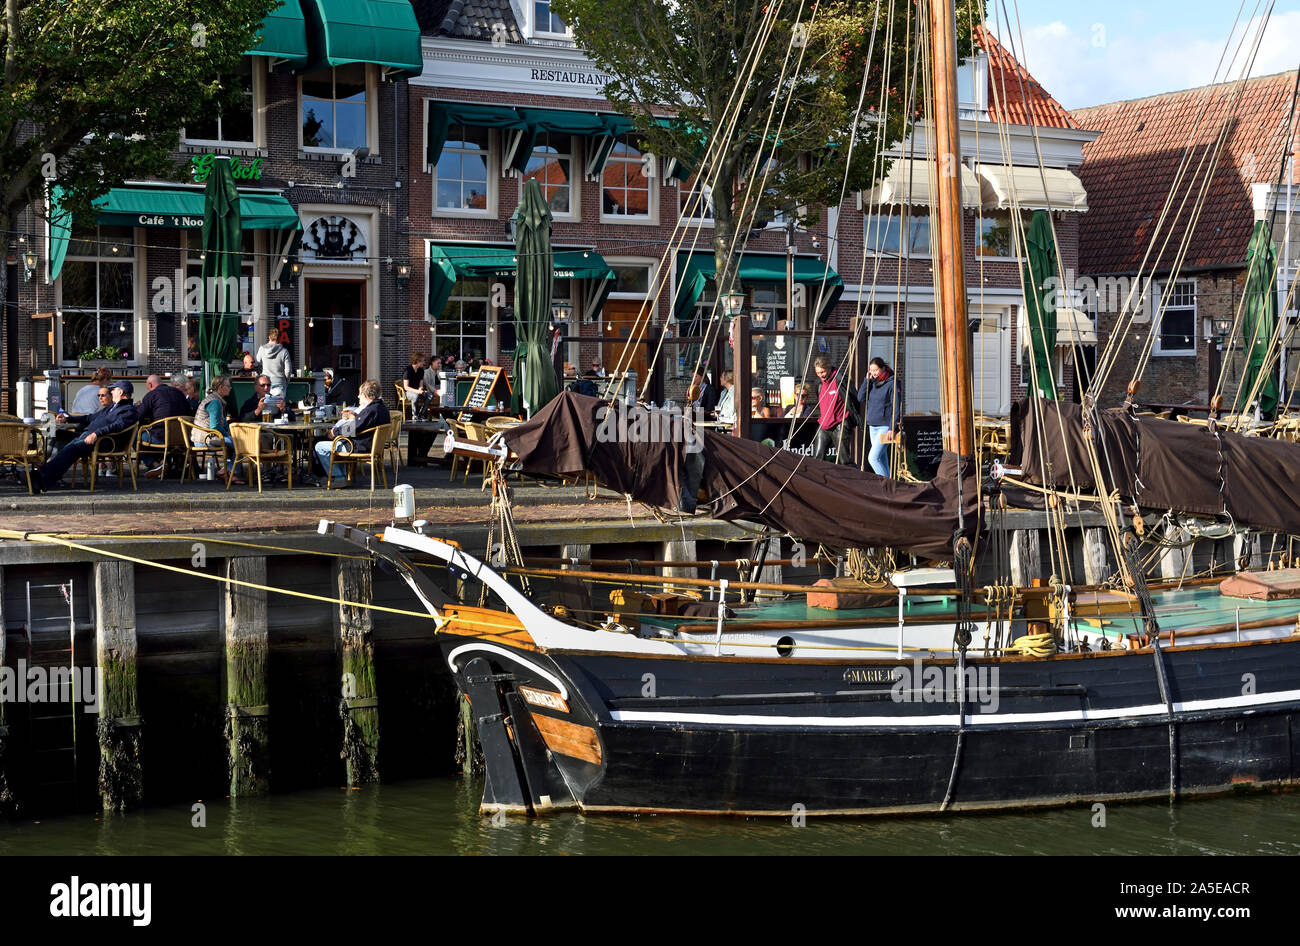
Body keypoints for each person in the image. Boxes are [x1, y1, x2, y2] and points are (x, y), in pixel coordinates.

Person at [33, 381, 139, 492]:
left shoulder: (128, 410)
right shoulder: (112, 407)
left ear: (120, 392)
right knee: (59, 434)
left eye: (113, 389)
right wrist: (68, 419)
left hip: (103, 442)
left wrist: (96, 434)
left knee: (72, 449)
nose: (111, 392)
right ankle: (49, 474)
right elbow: (89, 418)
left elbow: (117, 426)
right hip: (89, 436)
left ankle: (41, 476)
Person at [313, 379, 390, 487]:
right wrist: (356, 416)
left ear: (364, 395)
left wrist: (335, 432)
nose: (358, 397)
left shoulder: (370, 411)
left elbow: (353, 429)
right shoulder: (382, 408)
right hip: (372, 445)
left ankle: (339, 477)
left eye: (359, 395)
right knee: (333, 443)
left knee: (319, 446)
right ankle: (340, 477)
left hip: (359, 445)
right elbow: (361, 424)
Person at [192, 374, 246, 485]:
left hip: (203, 437)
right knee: (241, 443)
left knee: (235, 441)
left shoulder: (215, 399)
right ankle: (229, 471)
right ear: (221, 387)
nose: (230, 388)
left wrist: (228, 432)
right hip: (205, 439)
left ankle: (228, 471)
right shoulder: (215, 402)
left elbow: (221, 422)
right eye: (228, 386)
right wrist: (227, 434)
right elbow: (214, 426)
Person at [857, 356, 902, 477]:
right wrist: (867, 380)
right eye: (871, 370)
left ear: (883, 368)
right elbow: (860, 397)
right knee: (881, 458)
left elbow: (896, 407)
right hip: (872, 425)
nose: (873, 373)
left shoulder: (892, 383)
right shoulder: (872, 383)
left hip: (885, 426)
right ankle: (889, 484)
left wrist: (892, 428)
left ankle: (885, 484)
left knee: (873, 458)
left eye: (876, 370)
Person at [812, 356, 850, 463]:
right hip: (824, 423)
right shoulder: (818, 383)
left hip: (839, 423)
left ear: (829, 368)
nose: (821, 375)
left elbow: (853, 398)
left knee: (844, 459)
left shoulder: (841, 379)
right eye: (818, 373)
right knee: (817, 457)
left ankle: (854, 478)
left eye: (823, 372)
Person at [256, 329, 292, 398]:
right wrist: (286, 381)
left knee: (265, 406)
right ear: (279, 338)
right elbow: (288, 370)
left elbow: (258, 360)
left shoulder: (262, 349)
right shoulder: (284, 351)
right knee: (279, 406)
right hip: (279, 382)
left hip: (265, 383)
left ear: (269, 337)